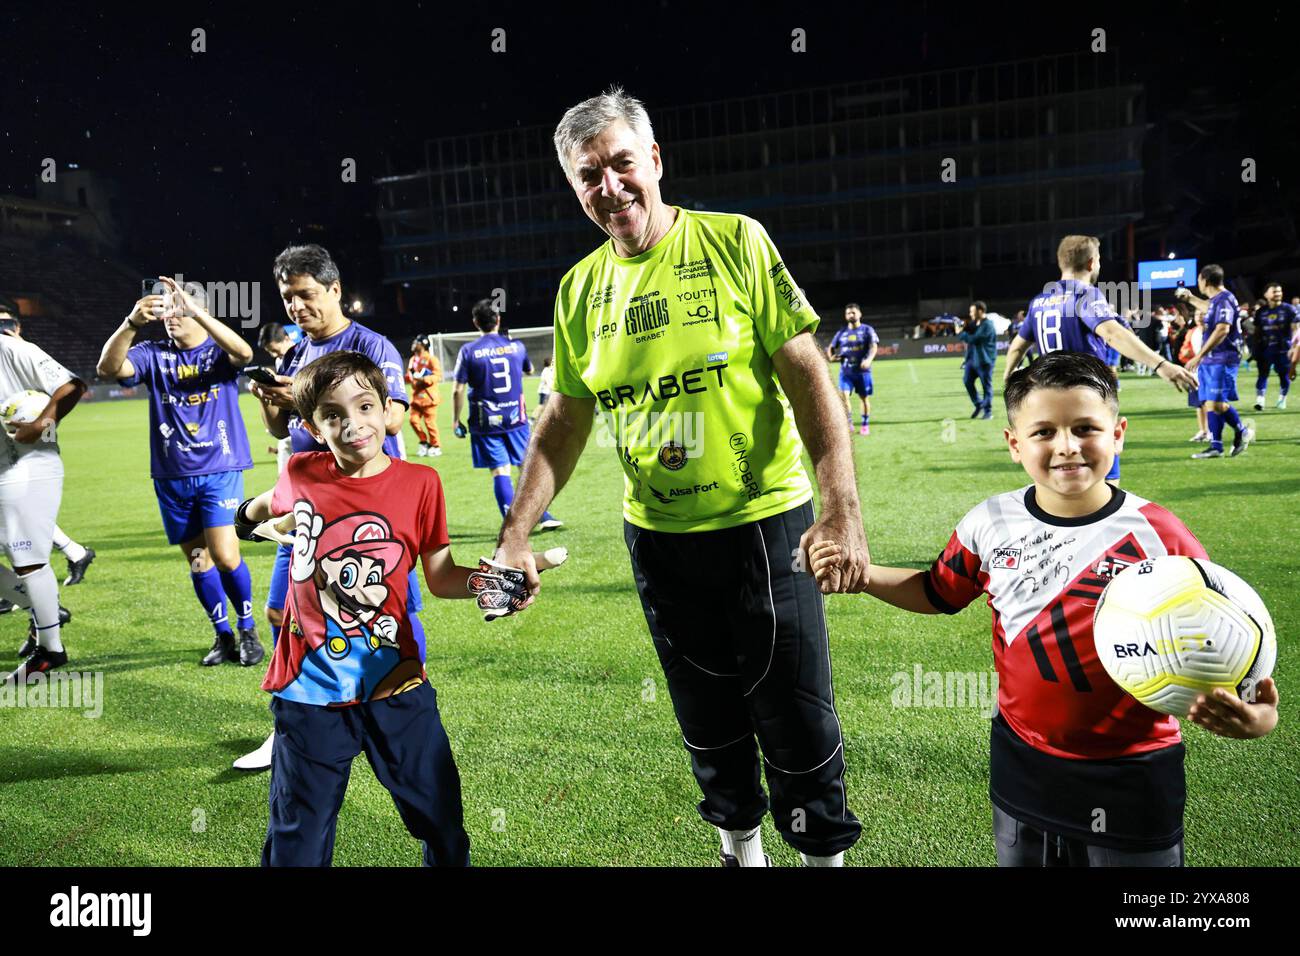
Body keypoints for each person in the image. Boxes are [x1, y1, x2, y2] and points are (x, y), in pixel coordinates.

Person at [493, 86, 867, 866]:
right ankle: (740, 850)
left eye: (622, 164)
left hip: (766, 528)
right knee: (707, 717)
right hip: (659, 543)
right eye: (588, 176)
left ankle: (823, 860)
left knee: (796, 718)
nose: (610, 187)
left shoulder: (736, 242)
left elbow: (807, 377)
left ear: (654, 160)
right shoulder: (578, 290)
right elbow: (564, 421)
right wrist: (514, 536)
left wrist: (841, 508)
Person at [809, 352, 1279, 867]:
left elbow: (1227, 636)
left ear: (1117, 434)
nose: (1067, 447)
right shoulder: (989, 522)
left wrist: (1258, 715)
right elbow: (935, 592)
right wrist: (863, 576)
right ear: (1015, 443)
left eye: (1085, 428)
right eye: (1044, 432)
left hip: (1133, 774)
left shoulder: (1161, 535)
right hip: (1022, 763)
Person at [236, 351, 476, 866]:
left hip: (396, 685)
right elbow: (269, 503)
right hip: (308, 693)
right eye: (333, 415)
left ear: (387, 409)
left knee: (441, 821)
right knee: (298, 837)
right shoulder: (301, 470)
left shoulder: (421, 484)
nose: (353, 425)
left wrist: (495, 584)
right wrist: (243, 516)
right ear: (313, 428)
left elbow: (441, 577)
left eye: (364, 407)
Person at [237, 243, 422, 772]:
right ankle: (291, 728)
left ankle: (402, 710)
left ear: (335, 289)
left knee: (390, 611)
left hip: (367, 507)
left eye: (306, 295)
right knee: (282, 611)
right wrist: (272, 403)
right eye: (288, 298)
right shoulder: (293, 353)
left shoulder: (370, 345)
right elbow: (283, 431)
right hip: (302, 508)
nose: (296, 307)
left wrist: (306, 392)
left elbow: (391, 421)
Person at [96, 276, 263, 667]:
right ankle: (222, 635)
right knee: (198, 561)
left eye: (177, 308)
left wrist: (200, 313)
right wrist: (131, 323)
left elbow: (243, 352)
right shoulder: (153, 353)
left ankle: (248, 629)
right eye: (165, 310)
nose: (170, 316)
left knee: (224, 555)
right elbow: (108, 369)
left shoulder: (217, 352)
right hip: (172, 476)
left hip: (219, 469)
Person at [1004, 235, 1198, 481]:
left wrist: (1009, 381)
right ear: (1092, 263)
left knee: (1063, 473)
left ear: (1061, 262)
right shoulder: (1086, 294)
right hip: (1088, 396)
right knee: (1105, 480)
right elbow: (1111, 332)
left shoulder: (1039, 301)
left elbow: (1016, 348)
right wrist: (1161, 364)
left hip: (1049, 399)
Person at [0, 325, 86, 683]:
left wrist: (41, 424)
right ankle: (45, 609)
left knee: (28, 560)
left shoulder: (9, 348)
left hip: (30, 464)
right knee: (27, 565)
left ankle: (50, 649)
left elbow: (72, 386)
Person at [452, 300, 562, 530]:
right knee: (525, 467)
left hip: (485, 421)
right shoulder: (516, 347)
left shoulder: (468, 351)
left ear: (475, 323)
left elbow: (457, 389)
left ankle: (515, 525)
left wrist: (455, 419)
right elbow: (529, 370)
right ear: (498, 320)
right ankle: (544, 516)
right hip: (515, 417)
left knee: (500, 471)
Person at [1177, 264, 1254, 459]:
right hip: (1212, 359)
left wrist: (1199, 354)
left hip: (1223, 357)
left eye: (1199, 280)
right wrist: (1191, 298)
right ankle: (1217, 445)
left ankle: (1238, 432)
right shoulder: (1218, 300)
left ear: (1205, 280)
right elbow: (1210, 309)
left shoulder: (1226, 298)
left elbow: (1222, 329)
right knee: (1211, 403)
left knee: (1216, 403)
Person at [824, 303, 878, 435]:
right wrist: (830, 357)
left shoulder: (867, 330)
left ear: (859, 314)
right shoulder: (841, 332)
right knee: (844, 398)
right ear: (845, 315)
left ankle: (865, 425)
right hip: (846, 372)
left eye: (853, 312)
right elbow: (831, 346)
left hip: (863, 372)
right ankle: (849, 423)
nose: (851, 315)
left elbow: (873, 347)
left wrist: (868, 360)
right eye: (848, 313)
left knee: (864, 398)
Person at [1252, 283, 1296, 410]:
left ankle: (1282, 399)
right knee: (1262, 374)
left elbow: (1295, 330)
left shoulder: (1289, 309)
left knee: (1284, 376)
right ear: (1266, 294)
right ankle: (1260, 401)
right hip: (1265, 349)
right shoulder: (1261, 311)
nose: (1278, 294)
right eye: (1274, 292)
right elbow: (1257, 331)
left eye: (1279, 291)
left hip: (1284, 349)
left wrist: (1293, 347)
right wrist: (1255, 348)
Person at [958, 301, 997, 419]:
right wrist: (961, 326)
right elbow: (967, 329)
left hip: (984, 360)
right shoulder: (975, 323)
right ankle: (979, 404)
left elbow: (975, 339)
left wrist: (961, 334)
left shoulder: (987, 325)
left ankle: (988, 411)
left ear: (980, 311)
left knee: (986, 386)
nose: (970, 314)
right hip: (972, 360)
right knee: (967, 381)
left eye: (972, 311)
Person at [406, 334, 442, 457]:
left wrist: (424, 379)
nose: (414, 344)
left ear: (423, 344)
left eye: (416, 342)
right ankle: (424, 441)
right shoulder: (412, 359)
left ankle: (436, 446)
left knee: (430, 423)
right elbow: (409, 376)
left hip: (428, 397)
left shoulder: (431, 359)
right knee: (413, 421)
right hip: (416, 397)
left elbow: (437, 376)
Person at [1179, 309, 1210, 442]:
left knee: (1209, 403)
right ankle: (1203, 431)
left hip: (1211, 371)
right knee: (1199, 404)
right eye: (1197, 314)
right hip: (1196, 373)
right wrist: (1185, 353)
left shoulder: (1215, 331)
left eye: (1203, 314)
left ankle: (1212, 431)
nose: (1200, 317)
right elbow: (1184, 350)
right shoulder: (1192, 332)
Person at [534, 356, 555, 421]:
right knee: (541, 405)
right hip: (544, 391)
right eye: (552, 362)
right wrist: (551, 387)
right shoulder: (546, 370)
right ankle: (533, 418)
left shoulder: (549, 370)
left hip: (547, 391)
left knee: (547, 405)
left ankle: (544, 418)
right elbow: (546, 380)